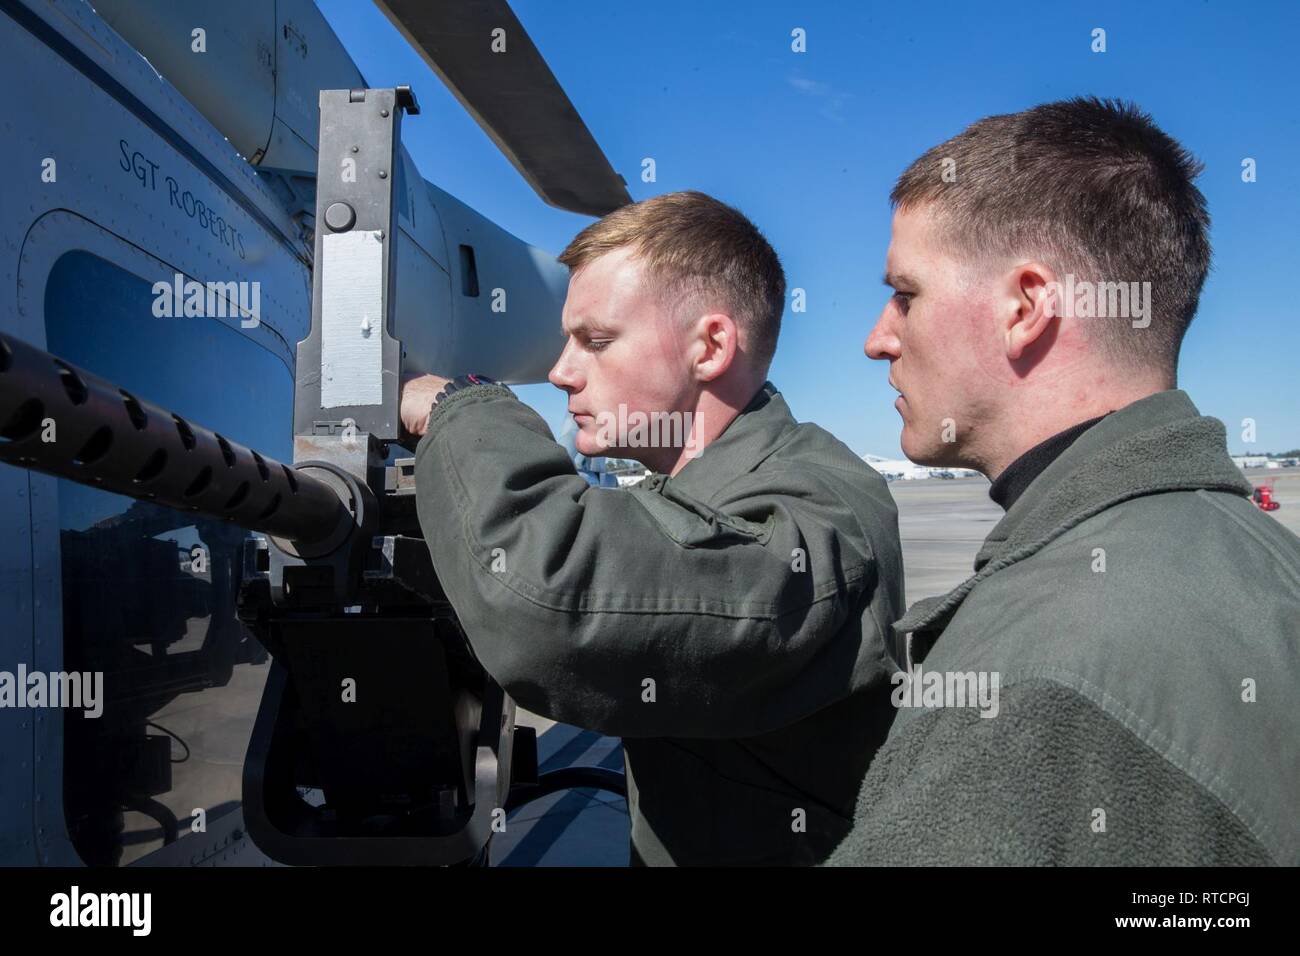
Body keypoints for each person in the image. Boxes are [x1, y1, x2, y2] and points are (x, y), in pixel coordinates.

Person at [827, 97, 1300, 866]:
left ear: (1027, 307)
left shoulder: (1037, 677)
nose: (877, 339)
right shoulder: (1264, 562)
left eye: (906, 295)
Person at [401, 190, 905, 865]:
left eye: (596, 341)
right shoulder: (712, 488)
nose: (559, 373)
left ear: (711, 346)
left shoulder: (812, 509)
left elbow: (552, 604)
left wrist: (457, 406)